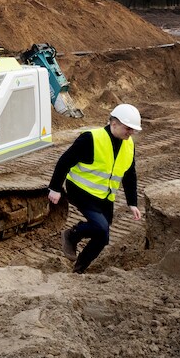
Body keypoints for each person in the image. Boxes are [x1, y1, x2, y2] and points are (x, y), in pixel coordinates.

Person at [47, 103, 143, 273]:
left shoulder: (129, 145)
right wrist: (55, 188)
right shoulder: (91, 138)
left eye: (133, 130)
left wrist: (132, 203)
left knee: (102, 237)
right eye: (128, 128)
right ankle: (72, 235)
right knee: (100, 227)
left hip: (105, 196)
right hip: (81, 191)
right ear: (114, 123)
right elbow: (65, 161)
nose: (131, 133)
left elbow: (130, 174)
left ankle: (78, 270)